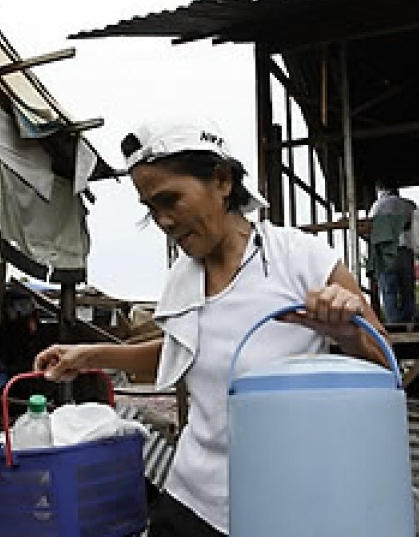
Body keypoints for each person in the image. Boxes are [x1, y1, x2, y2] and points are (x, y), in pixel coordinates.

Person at [33, 119, 391, 537]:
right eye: (151, 209)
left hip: (283, 500)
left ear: (221, 181)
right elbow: (182, 352)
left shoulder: (299, 257)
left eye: (171, 200)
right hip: (194, 498)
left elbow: (383, 363)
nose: (163, 221)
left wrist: (346, 334)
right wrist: (91, 357)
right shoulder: (181, 278)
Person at [366, 178, 419, 324]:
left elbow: (368, 227)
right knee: (407, 289)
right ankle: (410, 321)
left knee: (389, 290)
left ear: (381, 189)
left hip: (387, 251)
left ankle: (394, 323)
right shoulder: (409, 205)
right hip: (406, 250)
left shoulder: (378, 206)